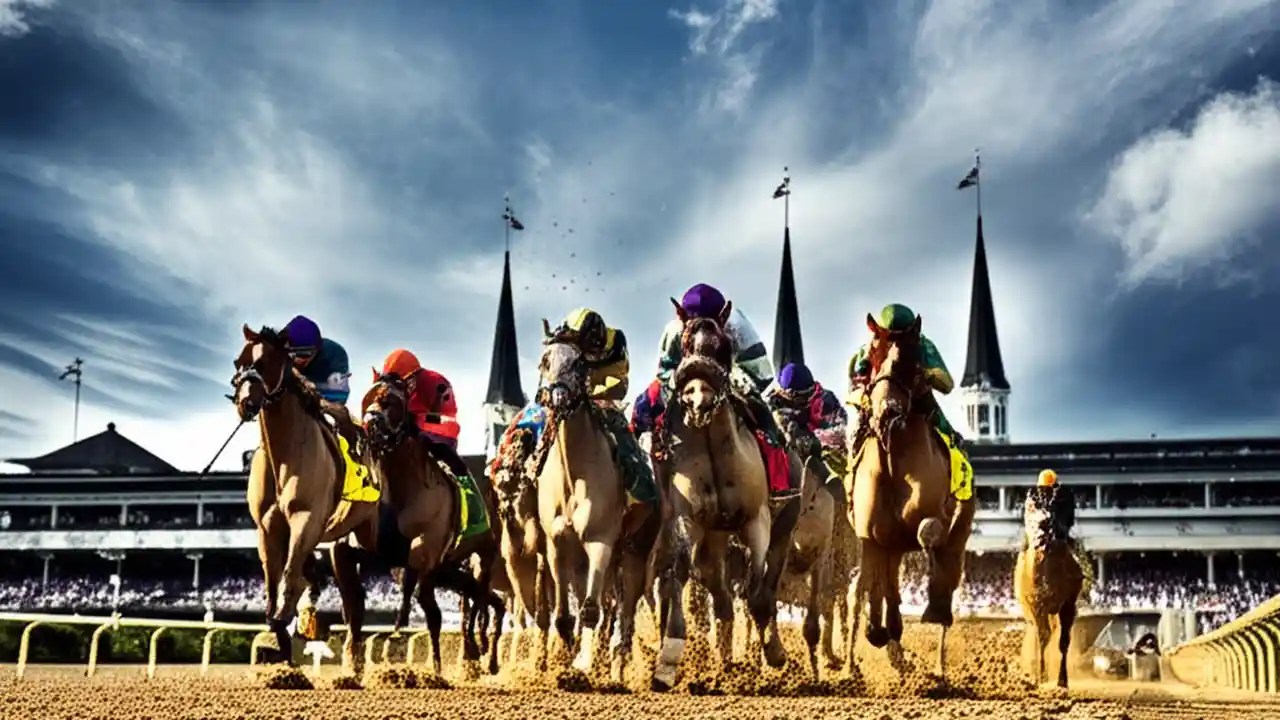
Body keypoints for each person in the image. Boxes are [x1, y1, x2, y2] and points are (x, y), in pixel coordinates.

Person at [633, 283, 797, 500]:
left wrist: (730, 384)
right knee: (644, 405)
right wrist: (679, 386)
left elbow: (760, 373)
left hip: (730, 376)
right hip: (686, 381)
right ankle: (642, 478)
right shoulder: (674, 330)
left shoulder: (737, 327)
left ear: (723, 317)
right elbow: (665, 370)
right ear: (682, 318)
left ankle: (778, 483)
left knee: (766, 421)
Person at [541, 308, 656, 504]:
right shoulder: (563, 340)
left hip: (602, 395)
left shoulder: (617, 343)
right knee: (535, 425)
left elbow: (620, 380)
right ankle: (527, 474)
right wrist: (554, 388)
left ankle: (641, 483)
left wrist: (595, 392)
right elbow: (551, 368)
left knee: (619, 429)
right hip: (565, 395)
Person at [845, 303, 963, 452]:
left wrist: (926, 373)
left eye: (901, 338)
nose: (895, 345)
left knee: (949, 440)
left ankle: (956, 459)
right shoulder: (867, 351)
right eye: (890, 338)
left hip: (916, 403)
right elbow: (853, 388)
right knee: (852, 442)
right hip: (874, 406)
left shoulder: (924, 346)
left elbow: (947, 385)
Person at [379, 348, 471, 482]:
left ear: (413, 377)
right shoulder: (386, 389)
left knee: (458, 469)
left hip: (435, 440)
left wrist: (417, 420)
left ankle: (467, 489)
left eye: (401, 384)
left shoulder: (437, 383)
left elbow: (449, 422)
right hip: (398, 441)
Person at [764, 362, 847, 485]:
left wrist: (820, 439)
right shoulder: (774, 408)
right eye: (800, 396)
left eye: (808, 393)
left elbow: (842, 431)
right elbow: (795, 442)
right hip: (793, 469)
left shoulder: (826, 399)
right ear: (785, 393)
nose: (806, 400)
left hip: (829, 460)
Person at [1023, 469, 1094, 590]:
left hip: (1059, 532)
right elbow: (1029, 516)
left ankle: (1085, 580)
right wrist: (1041, 520)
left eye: (1048, 488)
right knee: (1023, 549)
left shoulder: (1065, 496)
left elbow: (1069, 519)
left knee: (1078, 551)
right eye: (1043, 489)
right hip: (1036, 531)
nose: (1045, 492)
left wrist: (1059, 525)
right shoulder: (1032, 496)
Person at [281, 315, 352, 404]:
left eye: (304, 354)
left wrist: (315, 387)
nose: (297, 360)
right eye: (292, 354)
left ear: (317, 350)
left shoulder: (335, 354)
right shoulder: (277, 352)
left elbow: (339, 397)